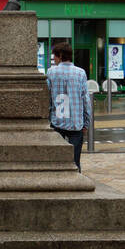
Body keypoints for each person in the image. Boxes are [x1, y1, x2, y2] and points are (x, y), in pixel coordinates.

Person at [46, 43, 91, 171]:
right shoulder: (80, 73)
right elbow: (85, 100)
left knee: (57, 159)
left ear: (60, 55)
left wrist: (48, 117)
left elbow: (48, 98)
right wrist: (86, 123)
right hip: (76, 122)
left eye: (54, 55)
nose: (53, 58)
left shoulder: (51, 72)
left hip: (57, 121)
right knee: (75, 161)